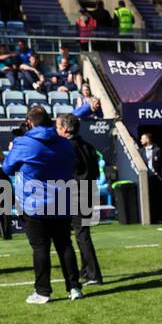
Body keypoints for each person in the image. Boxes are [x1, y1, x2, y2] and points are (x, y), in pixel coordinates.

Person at [2, 105, 82, 303]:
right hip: (61, 200)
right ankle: (74, 288)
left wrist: (13, 150)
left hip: (34, 203)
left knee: (40, 248)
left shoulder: (23, 142)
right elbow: (71, 165)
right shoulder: (64, 143)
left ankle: (43, 291)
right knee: (65, 246)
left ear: (29, 122)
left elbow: (7, 168)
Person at [56, 113, 104, 285]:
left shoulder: (66, 147)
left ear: (66, 129)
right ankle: (86, 271)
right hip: (88, 191)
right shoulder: (88, 146)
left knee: (82, 236)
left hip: (76, 193)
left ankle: (94, 274)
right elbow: (97, 171)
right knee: (82, 234)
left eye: (58, 127)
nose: (56, 130)